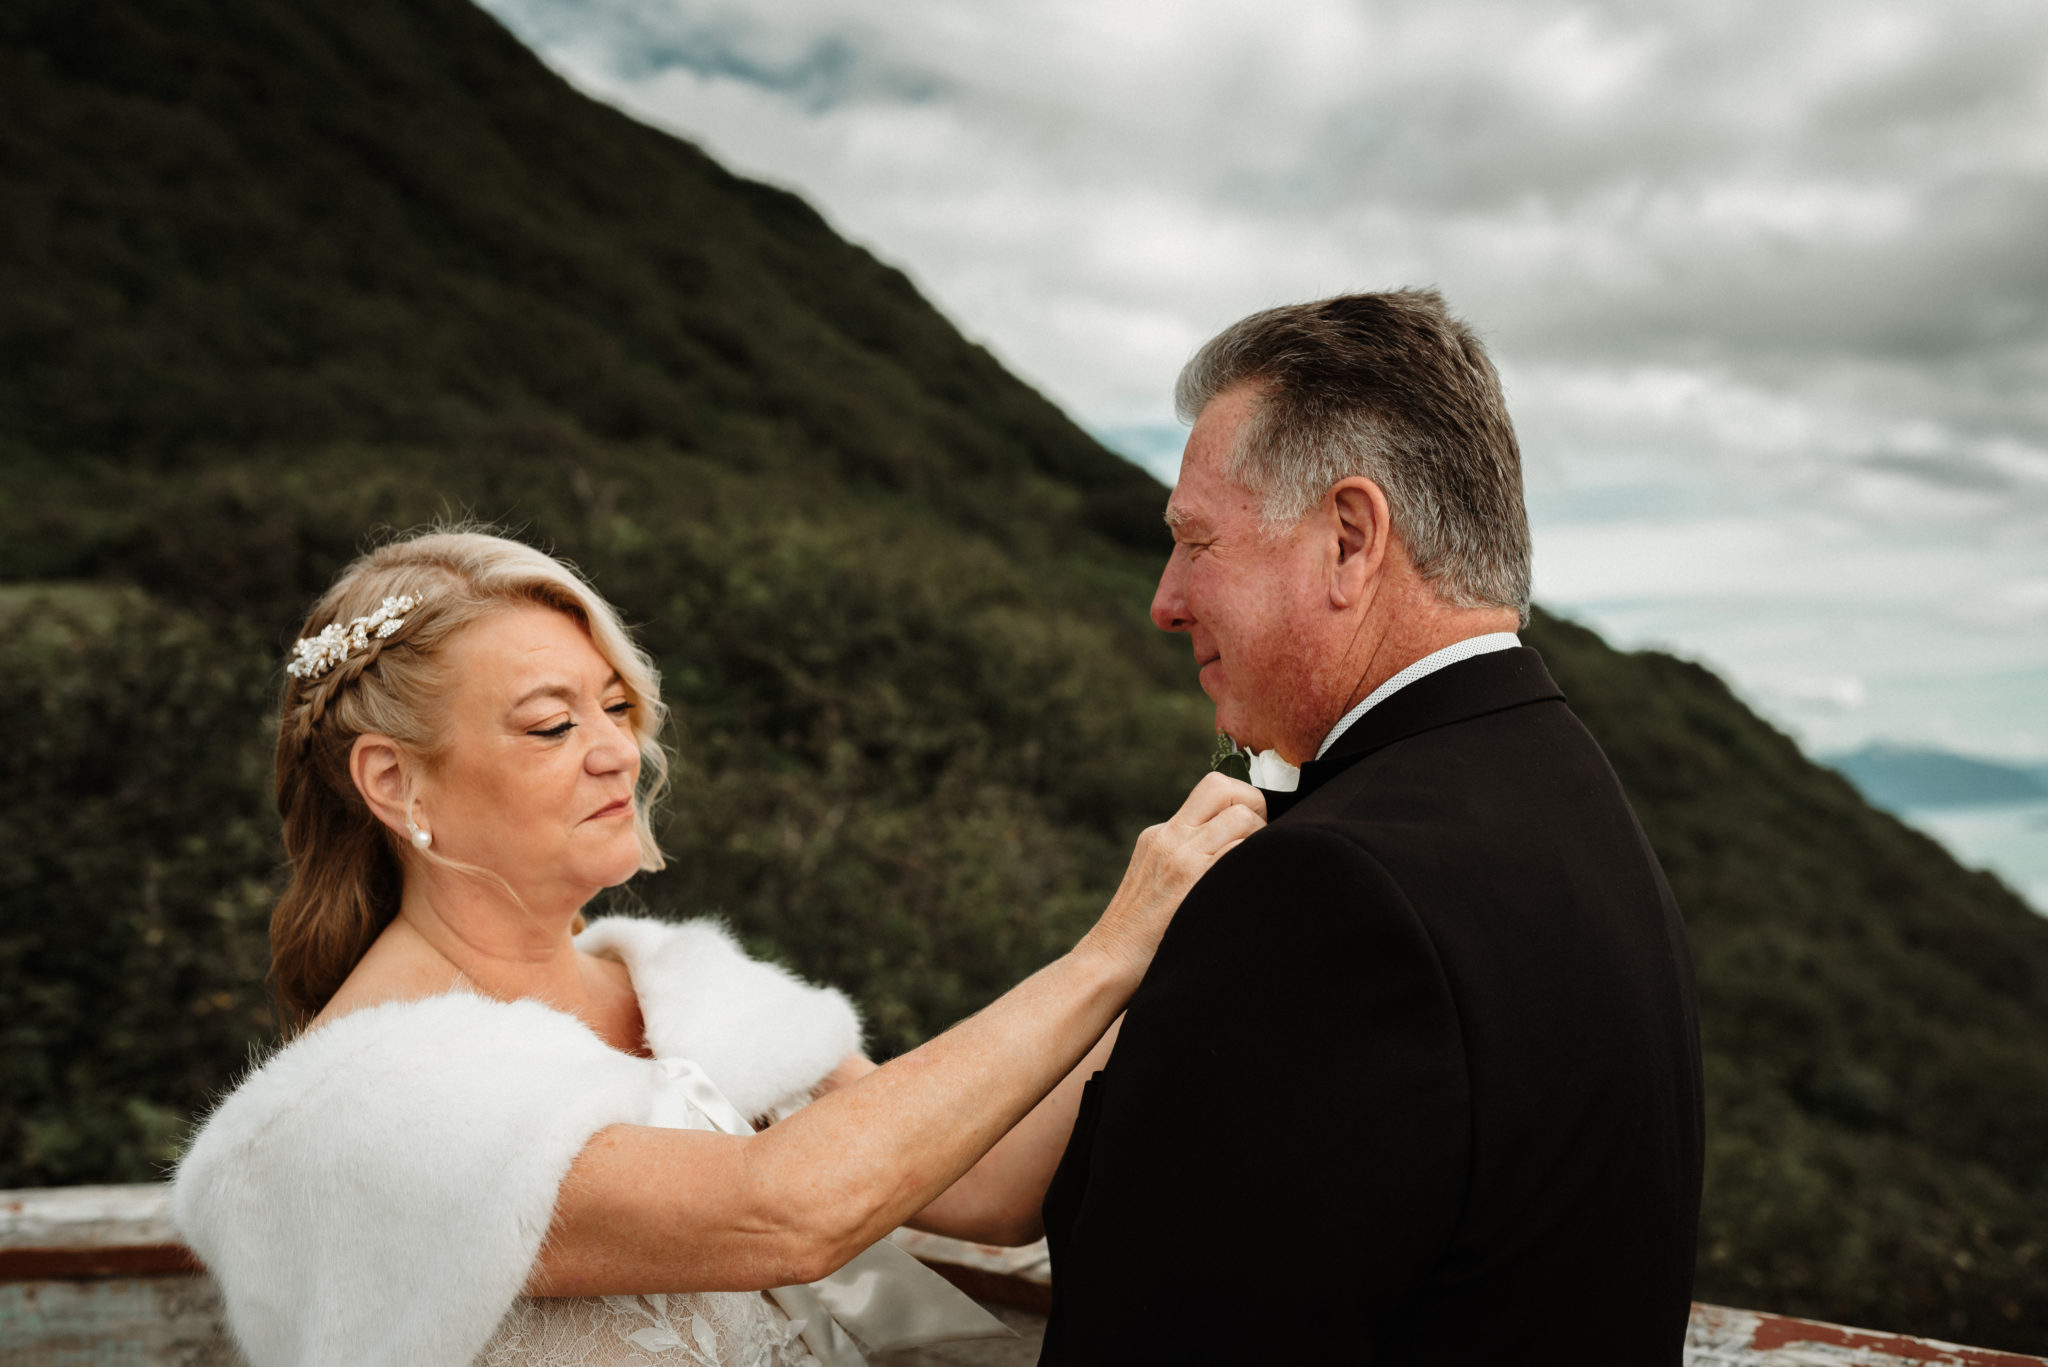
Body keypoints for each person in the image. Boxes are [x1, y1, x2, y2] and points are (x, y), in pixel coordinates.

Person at [170, 529, 1265, 1367]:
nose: (613, 751)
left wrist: (1190, 923)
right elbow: (782, 1208)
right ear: (393, 782)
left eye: (615, 706)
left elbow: (980, 1183)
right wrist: (1110, 946)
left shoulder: (682, 984)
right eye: (552, 724)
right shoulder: (365, 1101)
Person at [1037, 291, 1706, 1365]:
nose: (1164, 600)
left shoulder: (1328, 890)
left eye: (1196, 542)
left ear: (1349, 538)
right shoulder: (1567, 789)